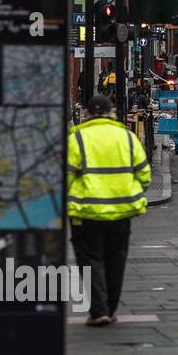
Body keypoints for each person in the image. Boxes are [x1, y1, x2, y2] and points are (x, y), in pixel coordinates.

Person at [67, 93, 152, 326]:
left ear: (87, 114)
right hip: (122, 211)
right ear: (110, 112)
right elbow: (144, 173)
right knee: (116, 260)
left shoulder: (77, 139)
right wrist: (129, 190)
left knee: (90, 260)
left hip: (86, 212)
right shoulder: (127, 137)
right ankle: (110, 308)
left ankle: (99, 310)